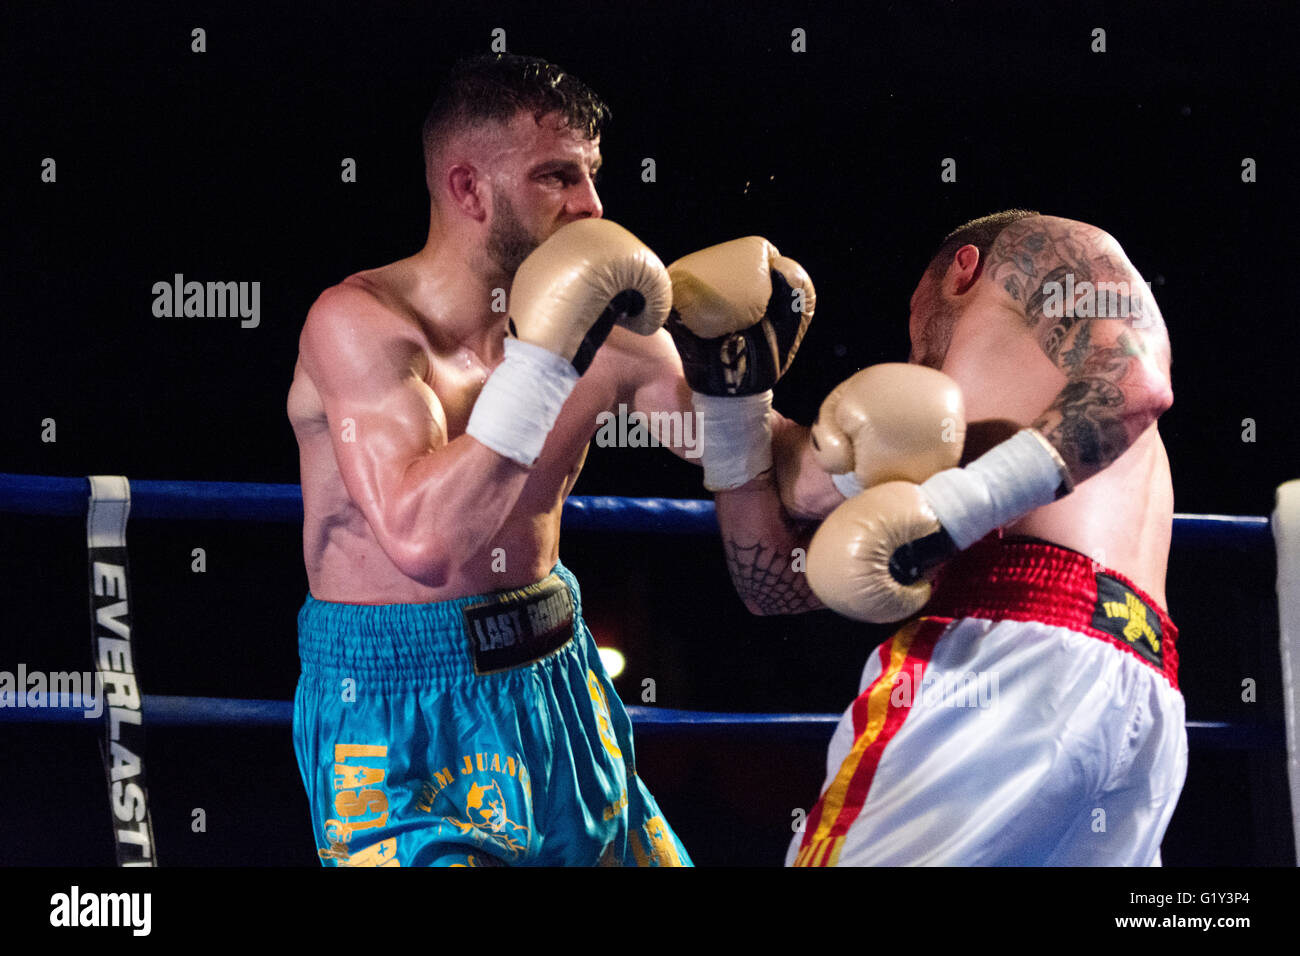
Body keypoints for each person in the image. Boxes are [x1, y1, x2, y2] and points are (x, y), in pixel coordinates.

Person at [285, 53, 815, 867]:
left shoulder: (617, 328)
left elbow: (750, 460)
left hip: (556, 676)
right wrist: (546, 362)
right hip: (395, 706)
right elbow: (421, 542)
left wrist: (749, 387)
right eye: (557, 176)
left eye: (593, 175)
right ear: (468, 189)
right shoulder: (360, 326)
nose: (593, 204)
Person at [756, 210, 1184, 865]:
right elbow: (788, 548)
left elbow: (1136, 384)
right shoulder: (971, 414)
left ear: (962, 270)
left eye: (914, 320)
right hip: (1143, 674)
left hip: (1001, 653)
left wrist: (954, 511)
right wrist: (730, 407)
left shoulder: (1032, 252)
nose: (913, 354)